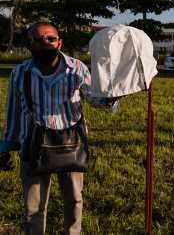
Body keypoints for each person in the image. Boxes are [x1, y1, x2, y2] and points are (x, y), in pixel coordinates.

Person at [0, 22, 114, 235]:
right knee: (33, 207)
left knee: (74, 199)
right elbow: (13, 113)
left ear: (59, 42)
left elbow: (94, 99)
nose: (45, 43)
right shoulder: (20, 73)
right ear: (30, 45)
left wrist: (112, 97)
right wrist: (6, 146)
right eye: (38, 39)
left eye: (50, 38)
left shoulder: (77, 68)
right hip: (33, 146)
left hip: (71, 144)